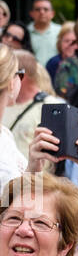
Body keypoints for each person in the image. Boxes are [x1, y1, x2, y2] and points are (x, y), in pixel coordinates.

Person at [0, 47, 28, 188]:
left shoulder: (5, 133)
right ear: (11, 83)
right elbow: (13, 207)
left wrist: (35, 166)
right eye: (20, 74)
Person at [27, 0, 61, 67]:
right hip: (31, 75)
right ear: (31, 13)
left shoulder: (61, 31)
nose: (42, 12)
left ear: (52, 13)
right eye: (37, 9)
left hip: (56, 74)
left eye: (46, 9)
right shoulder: (25, 32)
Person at [46, 22, 76, 89]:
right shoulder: (53, 63)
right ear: (60, 43)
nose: (70, 45)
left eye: (74, 41)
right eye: (66, 41)